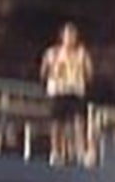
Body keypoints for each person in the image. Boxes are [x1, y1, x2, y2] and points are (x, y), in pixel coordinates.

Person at [40, 22, 93, 167]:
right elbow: (43, 71)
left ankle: (82, 152)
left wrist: (82, 79)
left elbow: (89, 73)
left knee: (79, 122)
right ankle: (56, 152)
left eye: (73, 35)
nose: (70, 38)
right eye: (68, 35)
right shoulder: (52, 53)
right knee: (57, 123)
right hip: (58, 91)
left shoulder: (82, 53)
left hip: (75, 91)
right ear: (62, 36)